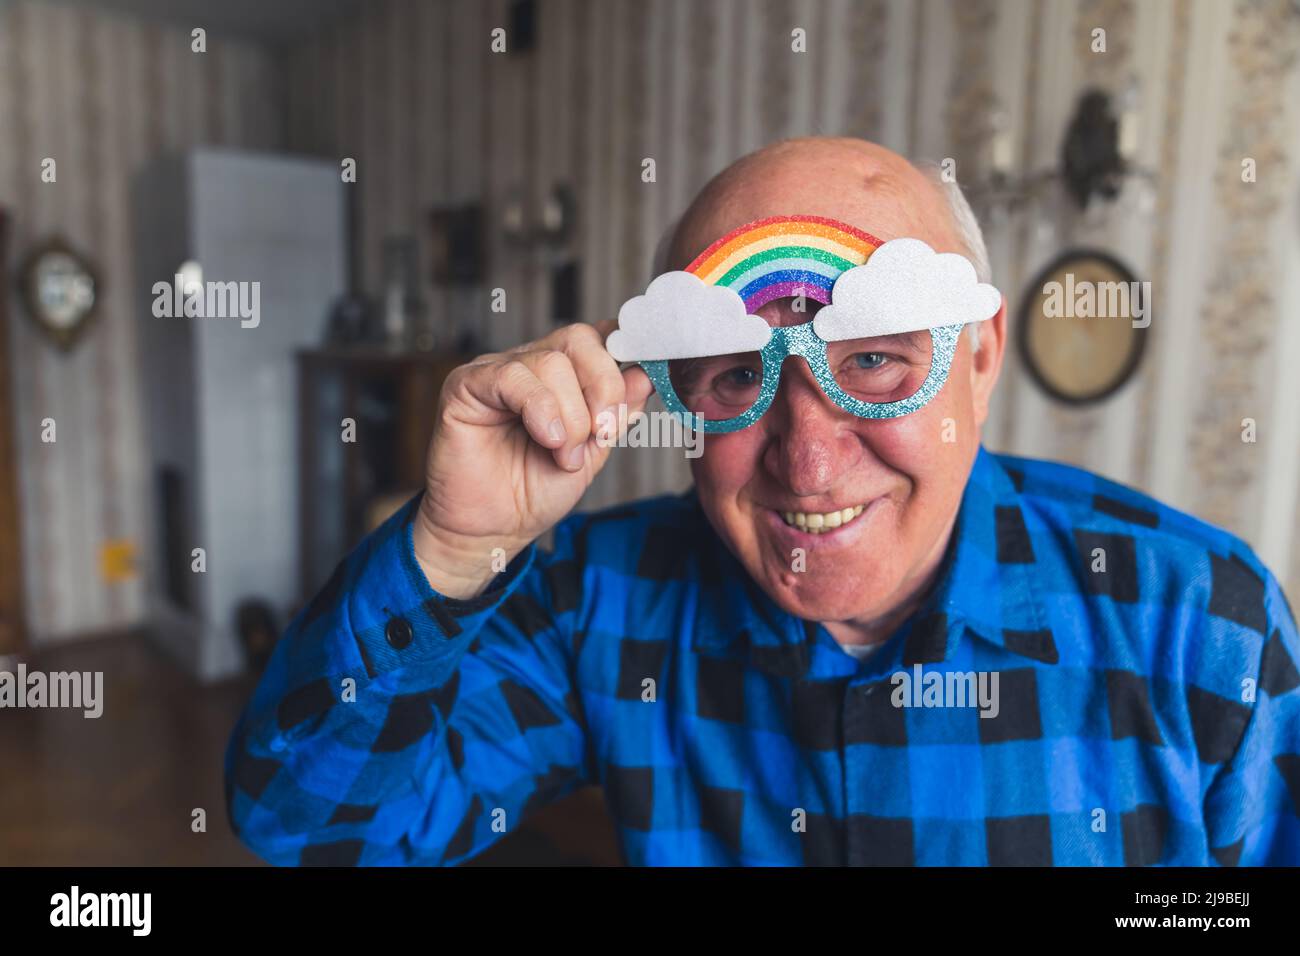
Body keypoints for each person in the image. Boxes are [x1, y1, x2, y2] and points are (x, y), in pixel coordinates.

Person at [226, 137, 1300, 866]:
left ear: (978, 360)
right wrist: (453, 547)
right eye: (738, 376)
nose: (809, 456)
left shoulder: (1196, 625)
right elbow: (307, 827)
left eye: (874, 360)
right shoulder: (598, 599)